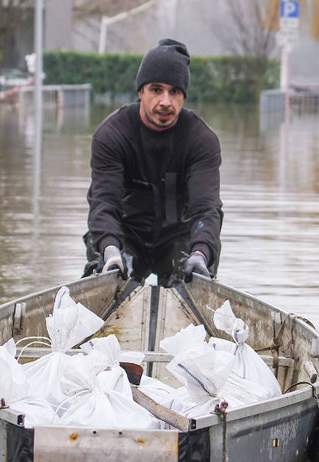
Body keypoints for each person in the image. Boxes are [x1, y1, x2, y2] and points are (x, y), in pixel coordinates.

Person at [84, 38, 222, 286]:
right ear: (141, 92)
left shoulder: (202, 140)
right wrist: (110, 251)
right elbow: (103, 204)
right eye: (156, 90)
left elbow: (207, 209)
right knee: (107, 270)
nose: (165, 102)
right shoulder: (111, 135)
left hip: (180, 236)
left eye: (175, 92)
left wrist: (201, 253)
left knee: (196, 273)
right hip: (124, 233)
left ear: (183, 96)